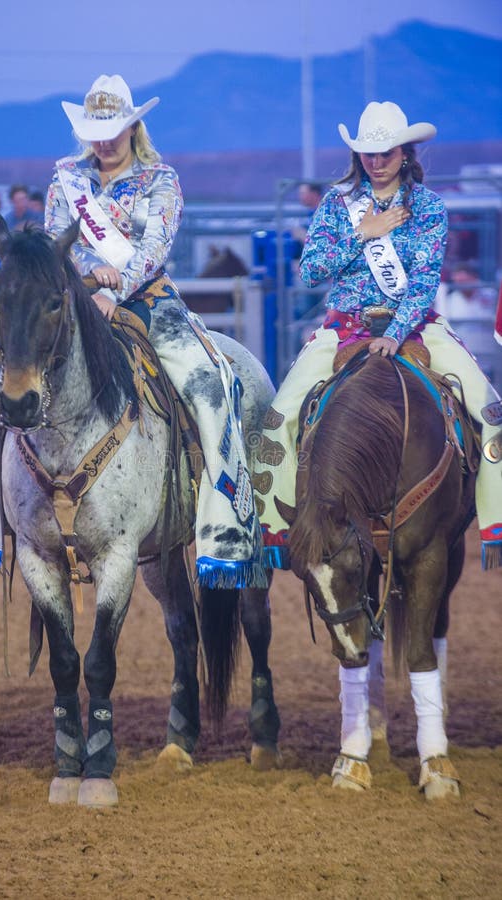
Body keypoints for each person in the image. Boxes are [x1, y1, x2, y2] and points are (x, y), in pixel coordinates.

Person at [253, 101, 502, 569]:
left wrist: (399, 329)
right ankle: (280, 529)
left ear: (405, 153)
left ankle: (495, 519)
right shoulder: (338, 204)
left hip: (416, 324)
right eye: (368, 152)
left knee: (488, 409)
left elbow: (426, 278)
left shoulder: (428, 207)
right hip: (344, 324)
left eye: (386, 151)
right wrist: (362, 233)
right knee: (278, 417)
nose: (377, 160)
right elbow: (311, 271)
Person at [44, 74, 263, 588]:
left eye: (113, 128)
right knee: (3, 383)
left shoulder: (160, 179)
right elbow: (57, 241)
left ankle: (226, 518)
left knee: (210, 387)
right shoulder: (65, 181)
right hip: (78, 305)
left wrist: (112, 290)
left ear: (132, 126)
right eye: (95, 130)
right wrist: (88, 280)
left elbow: (154, 248)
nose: (104, 140)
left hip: (150, 305)